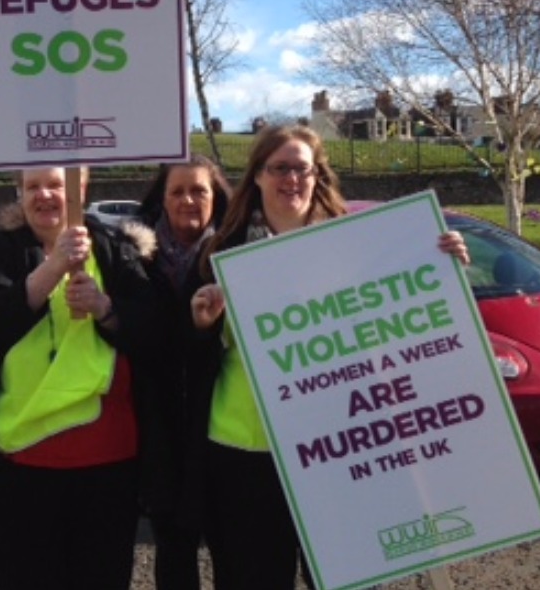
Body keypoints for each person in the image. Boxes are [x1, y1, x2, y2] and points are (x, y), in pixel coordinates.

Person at [184, 126, 469, 590]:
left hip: (339, 448)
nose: (291, 179)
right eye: (280, 168)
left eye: (303, 169)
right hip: (247, 454)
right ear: (256, 176)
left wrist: (442, 262)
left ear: (318, 177)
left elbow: (407, 317)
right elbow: (189, 359)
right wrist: (202, 324)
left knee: (344, 581)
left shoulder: (358, 248)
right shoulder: (221, 254)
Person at [0, 166, 167, 590]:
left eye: (55, 184)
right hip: (21, 461)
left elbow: (151, 329)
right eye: (32, 186)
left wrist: (105, 308)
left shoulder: (113, 247)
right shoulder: (1, 249)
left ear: (79, 188)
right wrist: (53, 266)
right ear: (19, 194)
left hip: (107, 463)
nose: (44, 195)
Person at [128, 154, 231, 590]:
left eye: (199, 191)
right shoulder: (133, 260)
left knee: (236, 555)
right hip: (159, 431)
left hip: (224, 429)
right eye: (178, 191)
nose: (189, 200)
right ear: (162, 199)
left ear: (216, 198)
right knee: (173, 558)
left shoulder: (241, 251)